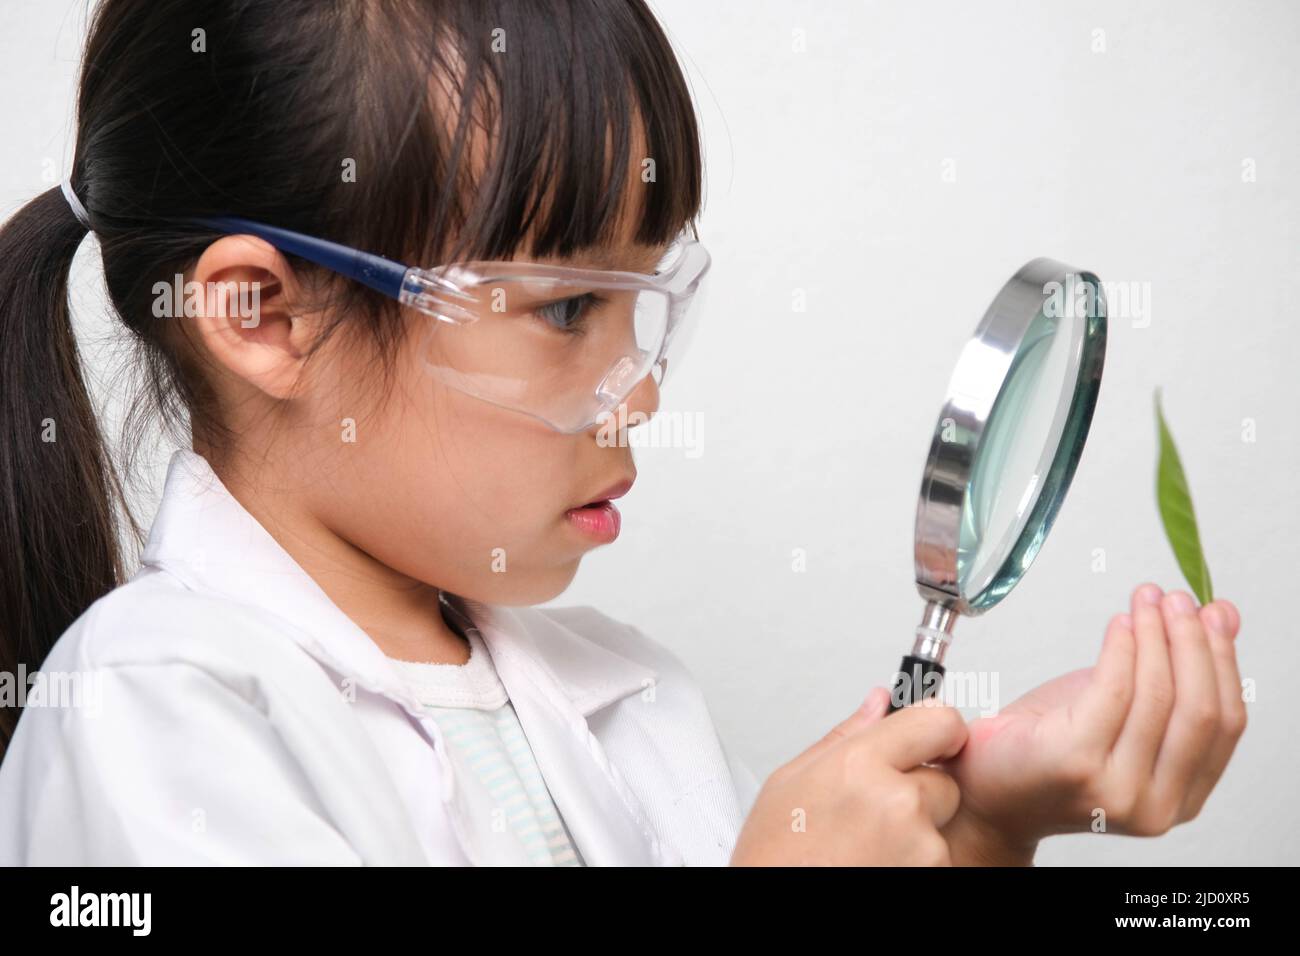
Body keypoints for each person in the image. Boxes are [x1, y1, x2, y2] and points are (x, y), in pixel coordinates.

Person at [0, 0, 1244, 866]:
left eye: (647, 304)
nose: (639, 394)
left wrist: (985, 826)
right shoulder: (150, 713)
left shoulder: (630, 693)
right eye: (569, 307)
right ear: (265, 315)